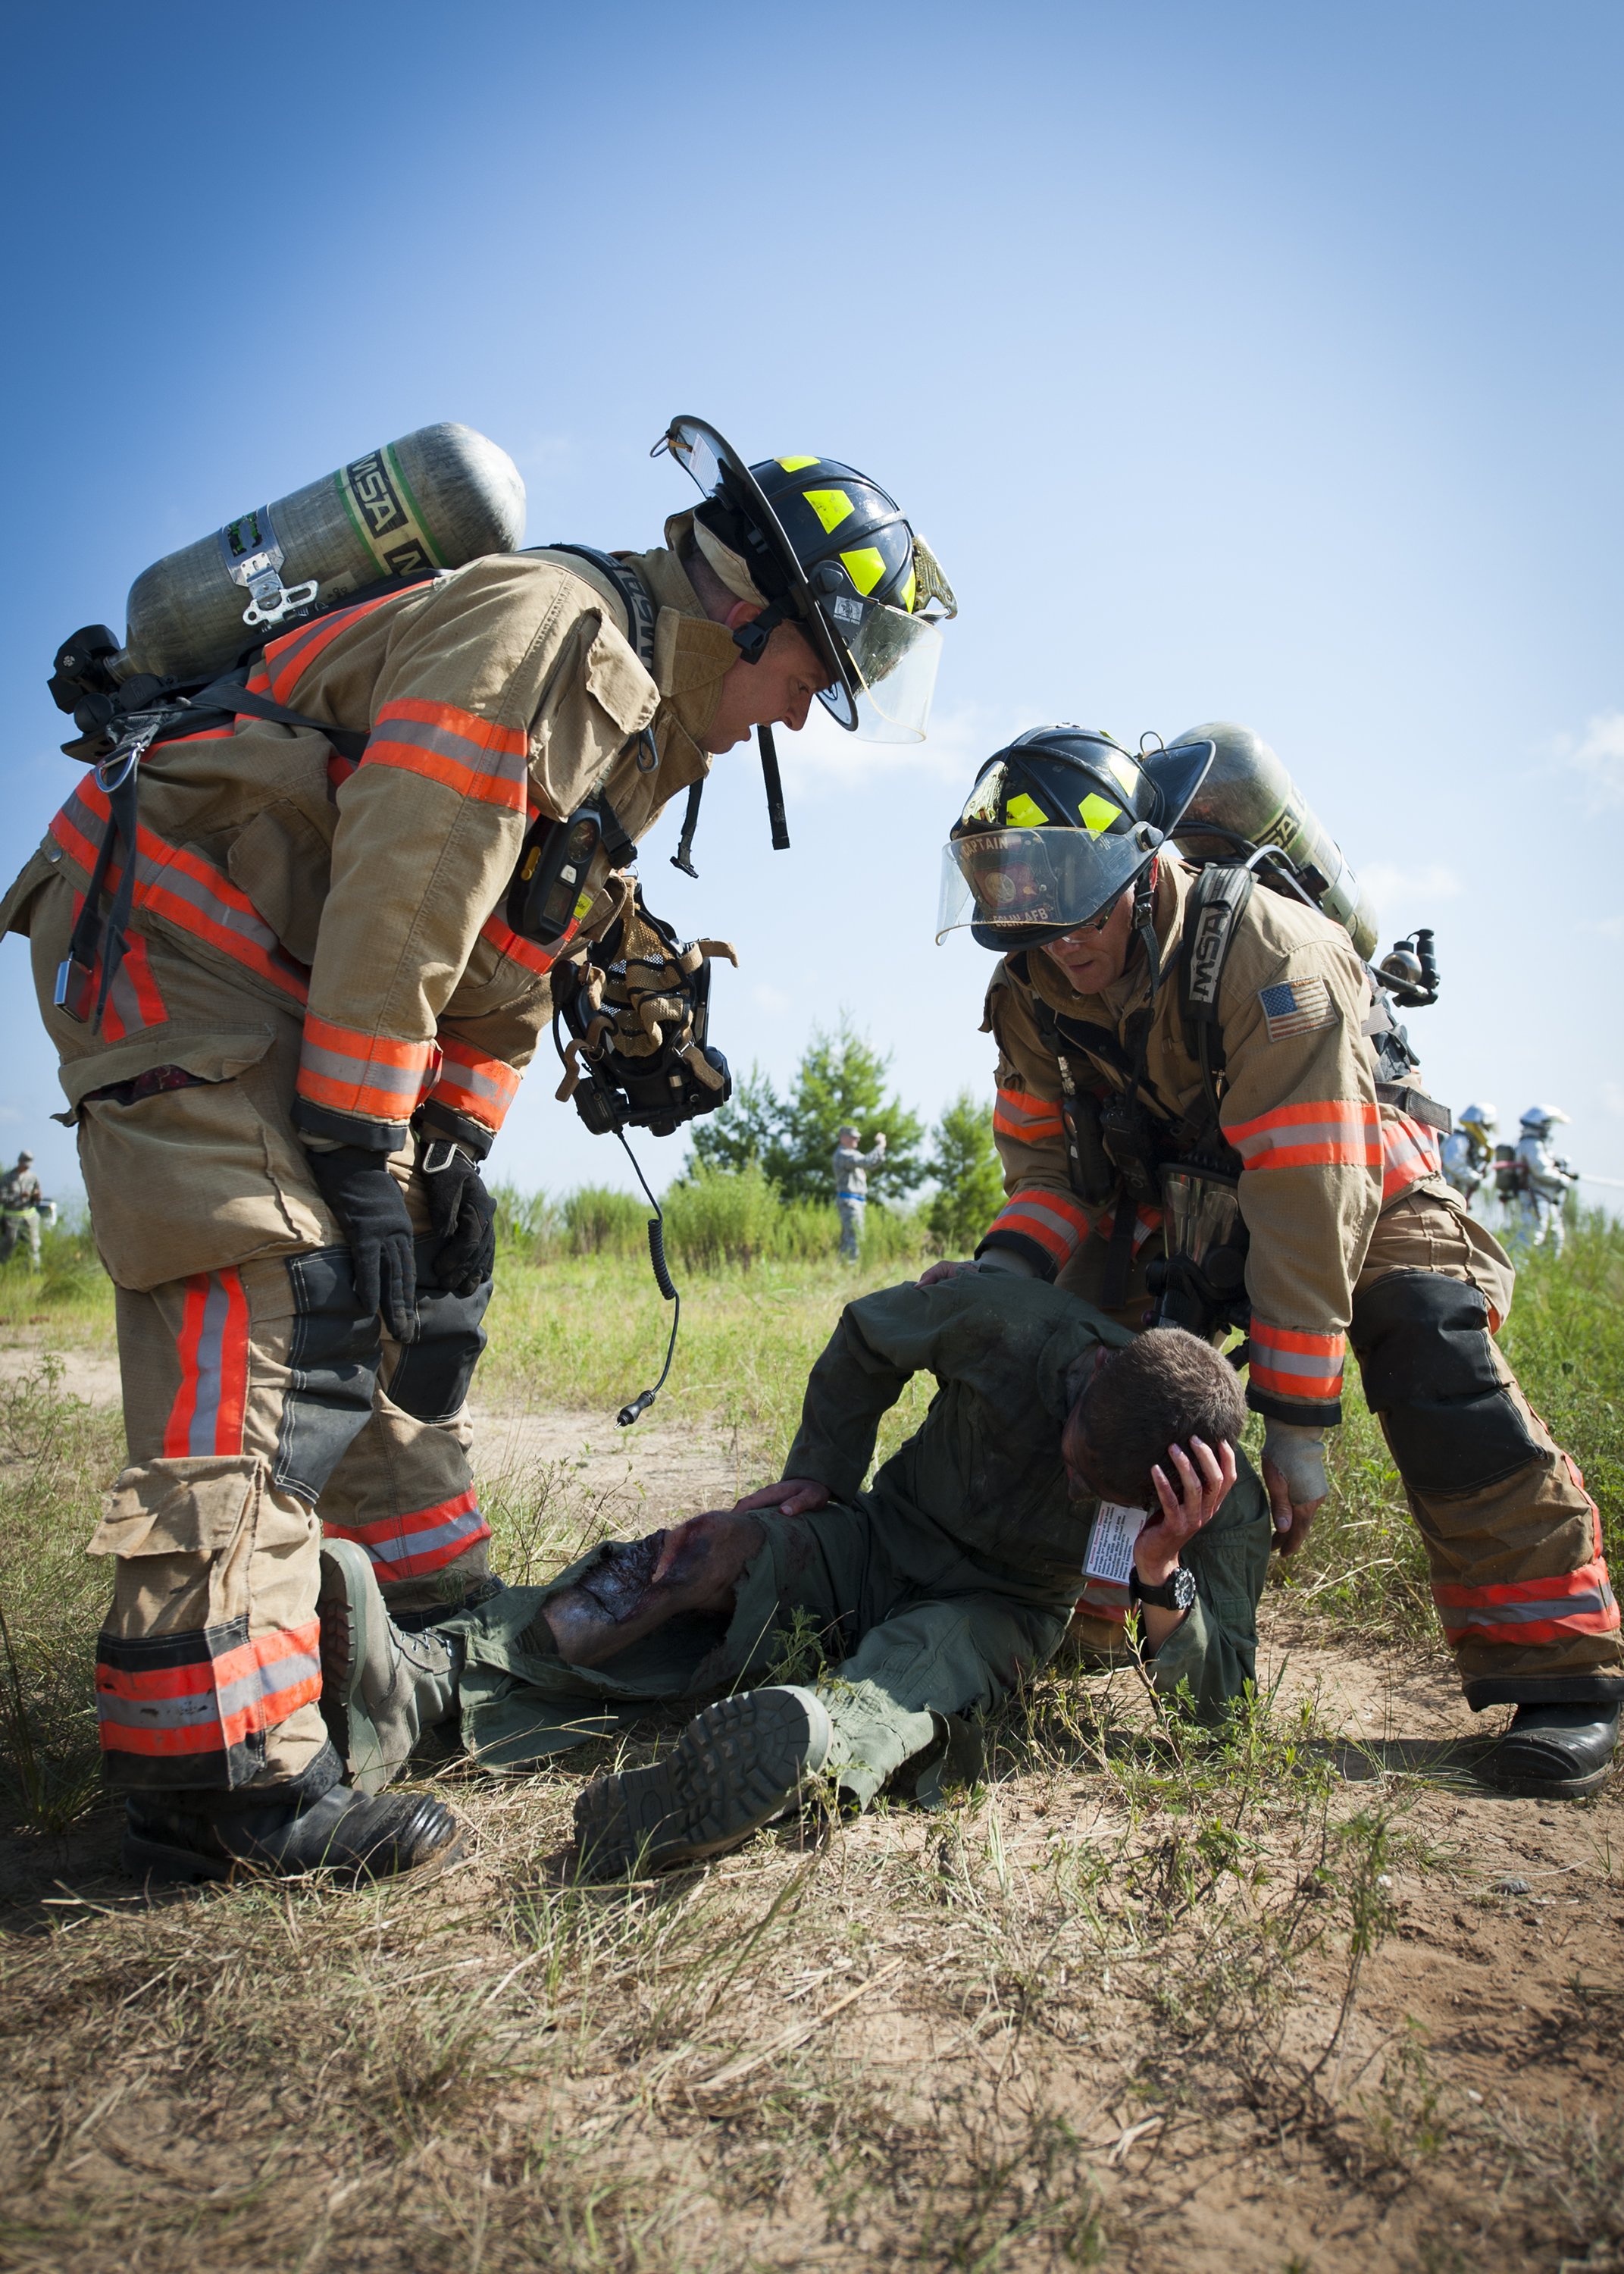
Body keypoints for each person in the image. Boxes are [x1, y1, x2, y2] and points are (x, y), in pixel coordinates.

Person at [0, 421, 957, 1887]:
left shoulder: (638, 716)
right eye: (806, 677)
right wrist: (358, 1140)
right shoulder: (548, 631)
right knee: (271, 1292)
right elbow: (411, 883)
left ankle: (425, 1627)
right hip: (179, 942)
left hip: (300, 974)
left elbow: (511, 948)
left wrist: (447, 1144)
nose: (799, 716)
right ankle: (220, 1784)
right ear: (750, 611)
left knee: (404, 1307)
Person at [930, 725, 1622, 1796]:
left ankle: (1560, 1672)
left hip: (1356, 1177)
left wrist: (1295, 1429)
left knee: (1426, 1346)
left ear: (1140, 867)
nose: (1061, 945)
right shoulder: (1029, 986)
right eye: (1034, 921)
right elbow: (1050, 1178)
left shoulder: (1270, 951)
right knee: (1069, 1365)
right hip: (1173, 1203)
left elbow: (1308, 1199)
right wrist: (1001, 1287)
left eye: (1082, 912)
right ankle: (1088, 1611)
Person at [312, 1272, 1257, 1876]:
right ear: (1093, 1372)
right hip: (876, 1542)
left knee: (909, 1673)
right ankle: (431, 1674)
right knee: (702, 1556)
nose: (1071, 1482)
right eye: (1075, 1453)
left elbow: (1217, 1720)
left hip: (996, 1611)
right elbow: (868, 1336)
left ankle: (799, 1748)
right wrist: (822, 1470)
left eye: (1097, 1490)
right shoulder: (1010, 1322)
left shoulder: (1224, 1502)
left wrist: (1159, 1568)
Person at [1513, 1104, 1579, 1258]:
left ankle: (1544, 1267)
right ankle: (1512, 1266)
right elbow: (1541, 1171)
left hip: (1545, 1197)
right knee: (1531, 1235)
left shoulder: (1538, 1144)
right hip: (1535, 1197)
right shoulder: (1532, 1144)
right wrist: (1563, 1179)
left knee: (1555, 1236)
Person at [833, 1123, 887, 1261]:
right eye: (854, 1137)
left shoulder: (852, 1154)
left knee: (849, 1237)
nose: (858, 1140)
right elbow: (866, 1161)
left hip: (855, 1201)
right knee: (855, 1237)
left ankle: (844, 1265)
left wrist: (881, 1151)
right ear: (844, 1138)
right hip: (850, 1201)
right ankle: (851, 1266)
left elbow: (871, 1165)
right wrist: (880, 1146)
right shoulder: (843, 1154)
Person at [1441, 1101, 1497, 1212]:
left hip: (1456, 1194)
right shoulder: (1459, 1140)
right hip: (1446, 1192)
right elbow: (1453, 1163)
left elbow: (1480, 1168)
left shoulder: (1473, 1144)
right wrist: (1474, 1179)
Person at [0, 1151, 45, 1267]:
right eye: (25, 1164)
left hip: (30, 1218)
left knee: (33, 1245)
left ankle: (34, 1270)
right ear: (19, 1161)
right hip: (12, 1219)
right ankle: (3, 1269)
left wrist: (37, 1196)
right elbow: (1, 1198)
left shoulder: (33, 1177)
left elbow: (38, 1198)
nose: (27, 1167)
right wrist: (18, 1197)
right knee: (8, 1244)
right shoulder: (6, 1178)